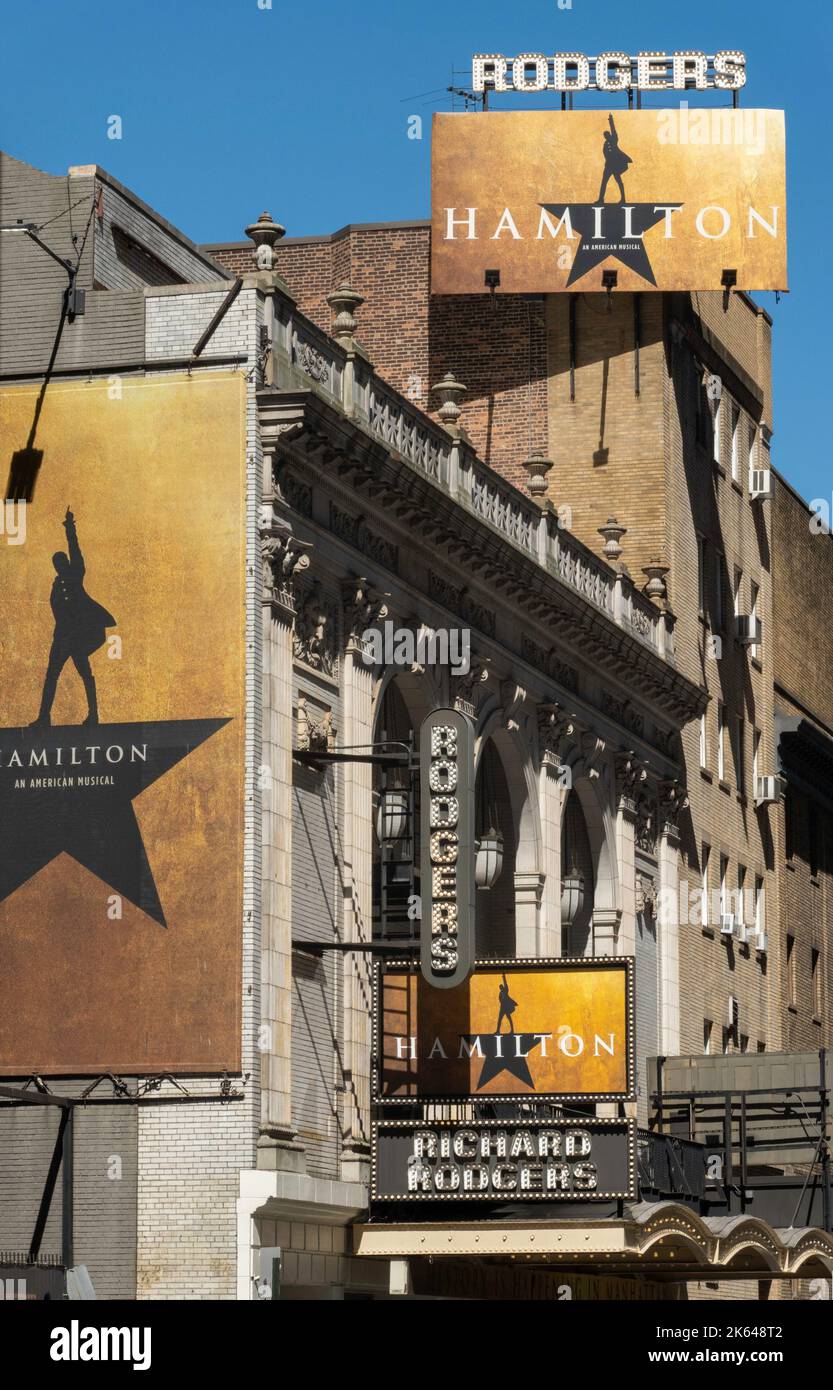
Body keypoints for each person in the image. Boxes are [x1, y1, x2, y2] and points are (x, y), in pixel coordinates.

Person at [32, 507, 116, 726]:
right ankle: (44, 717)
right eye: (56, 564)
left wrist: (69, 526)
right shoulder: (57, 586)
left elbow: (74, 548)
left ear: (66, 563)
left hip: (77, 636)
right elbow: (57, 611)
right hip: (62, 638)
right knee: (51, 676)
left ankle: (94, 714)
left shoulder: (75, 573)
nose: (59, 566)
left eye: (62, 562)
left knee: (85, 675)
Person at [597, 114, 632, 205]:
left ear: (609, 134)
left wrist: (611, 120)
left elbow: (613, 129)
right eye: (605, 135)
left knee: (619, 182)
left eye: (607, 134)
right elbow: (605, 154)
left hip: (616, 165)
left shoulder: (614, 139)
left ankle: (623, 199)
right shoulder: (605, 144)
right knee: (603, 182)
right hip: (608, 166)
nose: (606, 136)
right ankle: (601, 199)